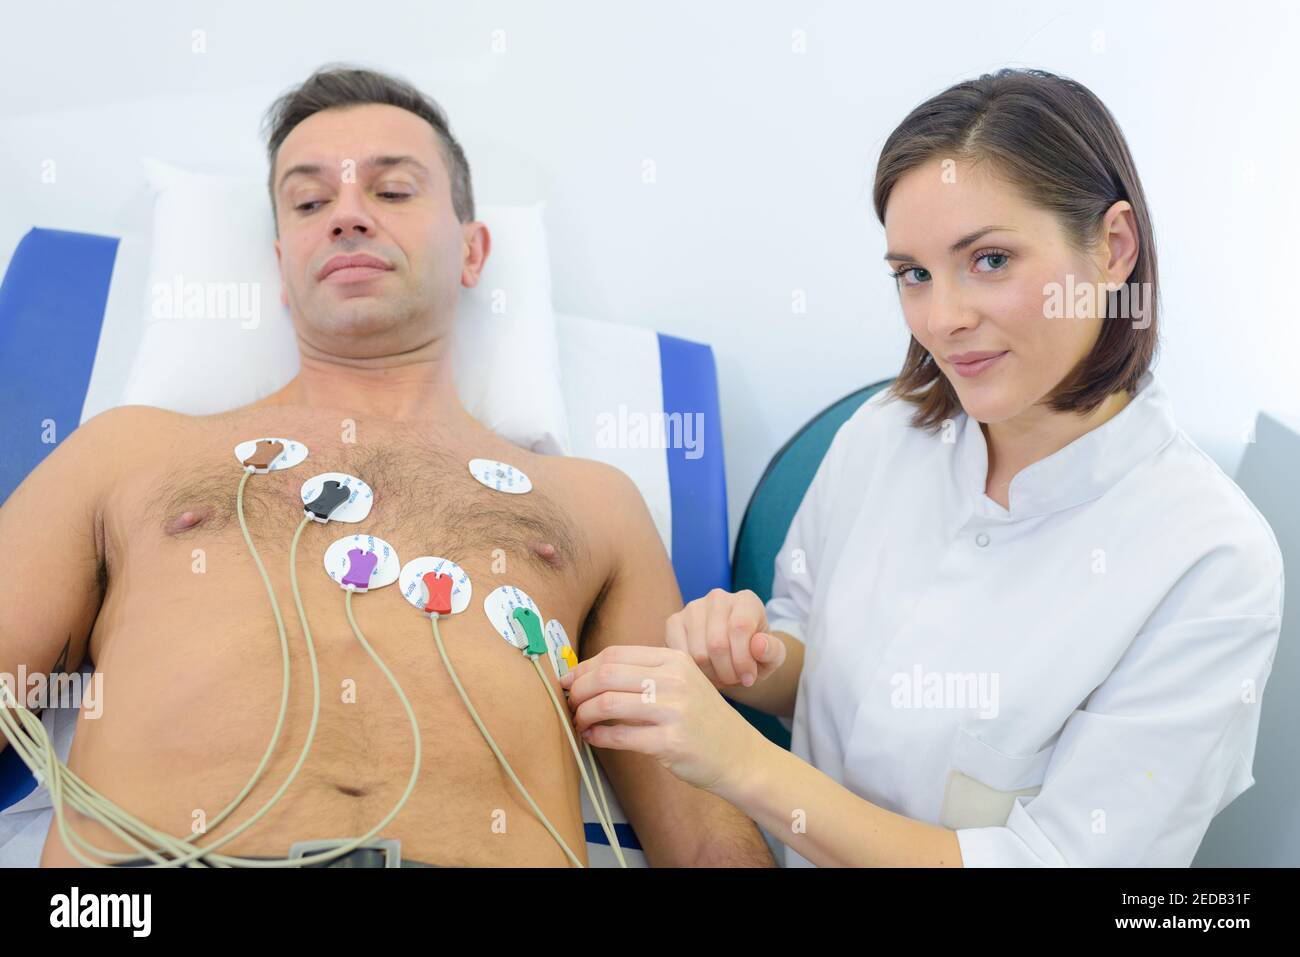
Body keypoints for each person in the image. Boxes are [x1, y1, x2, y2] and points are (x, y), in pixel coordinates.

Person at [0, 64, 773, 867]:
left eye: (393, 191)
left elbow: (700, 815)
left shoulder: (592, 504)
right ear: (279, 266)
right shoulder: (128, 453)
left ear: (474, 251)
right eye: (308, 202)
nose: (347, 217)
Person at [561, 68, 1286, 867]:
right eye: (914, 274)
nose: (942, 320)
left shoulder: (1212, 561)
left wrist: (741, 762)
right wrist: (756, 656)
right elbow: (810, 649)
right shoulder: (887, 430)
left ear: (1113, 248)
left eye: (991, 260)